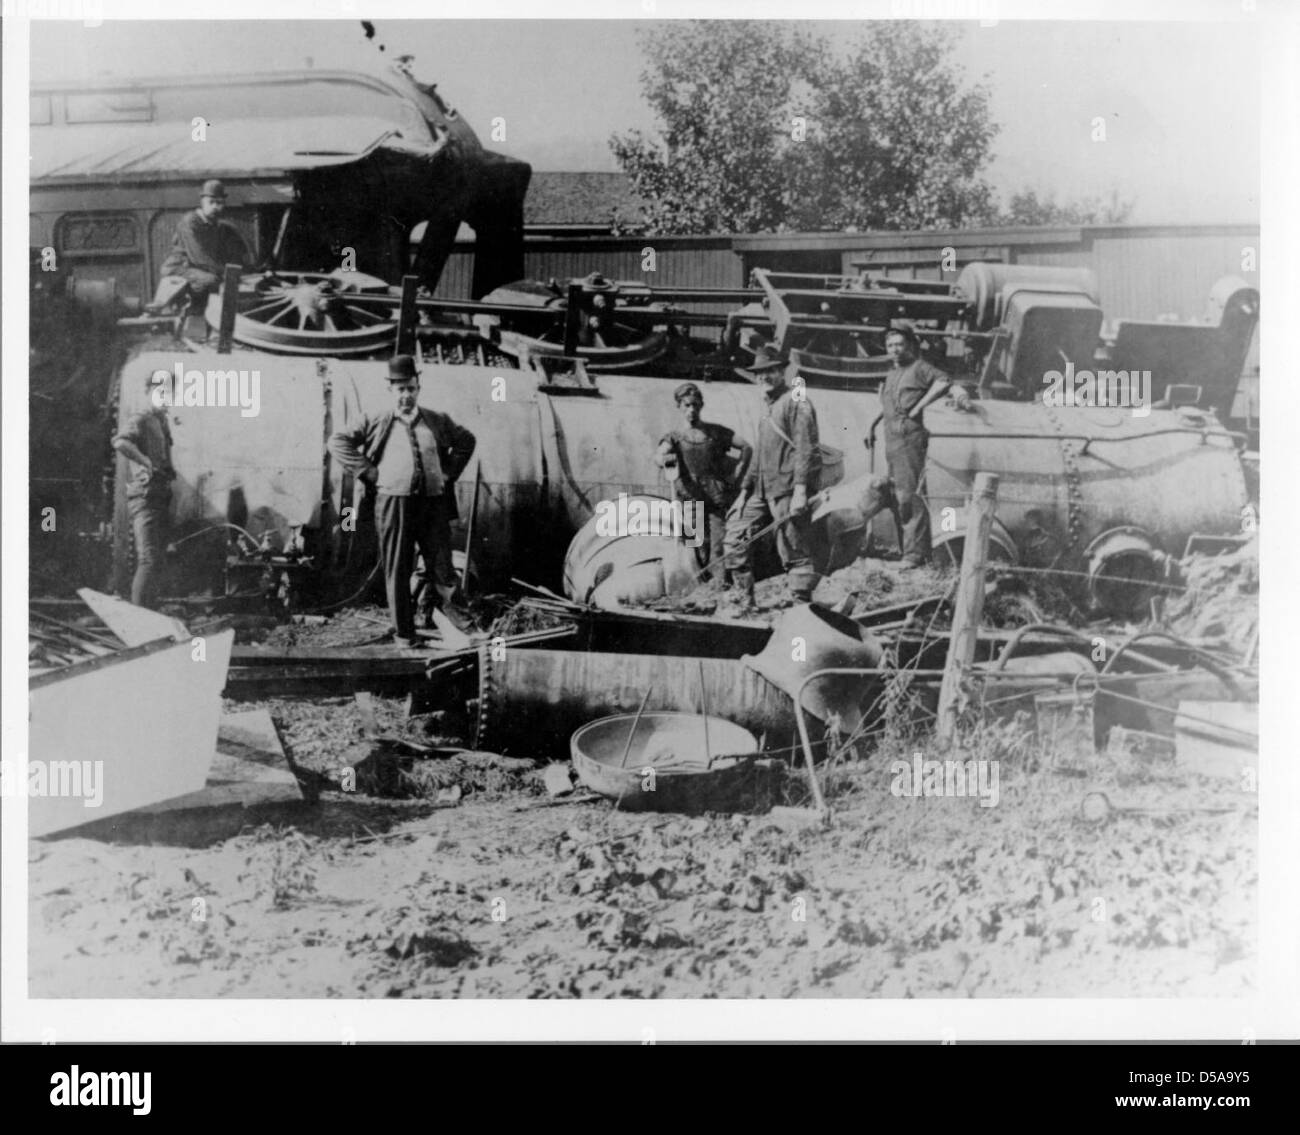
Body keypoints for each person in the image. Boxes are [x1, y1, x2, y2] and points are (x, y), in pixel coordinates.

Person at [328, 355, 476, 648]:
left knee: (443, 567)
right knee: (398, 568)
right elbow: (338, 442)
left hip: (433, 504)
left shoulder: (437, 420)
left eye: (411, 389)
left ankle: (466, 625)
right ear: (391, 391)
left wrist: (449, 473)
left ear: (418, 388)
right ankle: (405, 634)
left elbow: (466, 440)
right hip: (393, 503)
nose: (406, 396)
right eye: (400, 390)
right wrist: (368, 471)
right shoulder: (375, 419)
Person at [724, 346, 823, 607]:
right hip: (762, 489)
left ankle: (801, 605)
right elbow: (758, 456)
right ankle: (744, 600)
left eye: (770, 371)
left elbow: (805, 447)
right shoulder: (768, 408)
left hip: (788, 488)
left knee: (793, 547)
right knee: (735, 535)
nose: (764, 377)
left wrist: (801, 490)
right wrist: (744, 493)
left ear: (782, 372)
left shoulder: (796, 401)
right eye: (759, 373)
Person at [868, 326, 971, 568]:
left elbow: (944, 380)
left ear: (909, 346)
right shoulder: (893, 374)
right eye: (891, 345)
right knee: (896, 495)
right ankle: (906, 550)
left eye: (899, 345)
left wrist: (917, 409)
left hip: (909, 439)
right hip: (892, 440)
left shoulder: (919, 367)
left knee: (909, 496)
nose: (895, 349)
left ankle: (915, 555)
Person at [654, 382, 752, 584]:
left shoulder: (716, 433)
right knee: (695, 545)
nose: (691, 410)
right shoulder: (674, 438)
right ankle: (698, 587)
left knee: (718, 544)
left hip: (717, 498)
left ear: (701, 406)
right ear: (679, 407)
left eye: (695, 405)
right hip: (691, 498)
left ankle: (719, 586)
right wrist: (663, 460)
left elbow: (746, 447)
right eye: (687, 405)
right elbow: (659, 456)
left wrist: (737, 473)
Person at [111, 378, 176, 609]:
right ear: (149, 392)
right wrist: (144, 460)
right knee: (148, 558)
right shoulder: (142, 418)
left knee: (156, 560)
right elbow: (120, 442)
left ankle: (149, 613)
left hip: (159, 496)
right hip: (146, 496)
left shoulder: (160, 421)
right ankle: (140, 617)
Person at [157, 179, 250, 306]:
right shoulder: (190, 222)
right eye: (211, 202)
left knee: (225, 281)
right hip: (179, 268)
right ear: (202, 202)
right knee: (211, 281)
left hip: (199, 268)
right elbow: (199, 257)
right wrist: (226, 274)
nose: (215, 207)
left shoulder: (216, 225)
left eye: (219, 203)